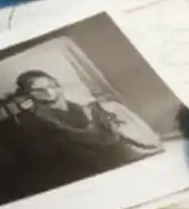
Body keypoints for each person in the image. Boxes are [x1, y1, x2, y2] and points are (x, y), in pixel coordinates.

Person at [14, 70, 162, 182]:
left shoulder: (77, 107)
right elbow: (83, 137)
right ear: (30, 95)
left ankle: (151, 143)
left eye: (52, 85)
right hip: (92, 170)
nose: (48, 91)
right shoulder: (41, 117)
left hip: (116, 156)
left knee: (114, 109)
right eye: (39, 90)